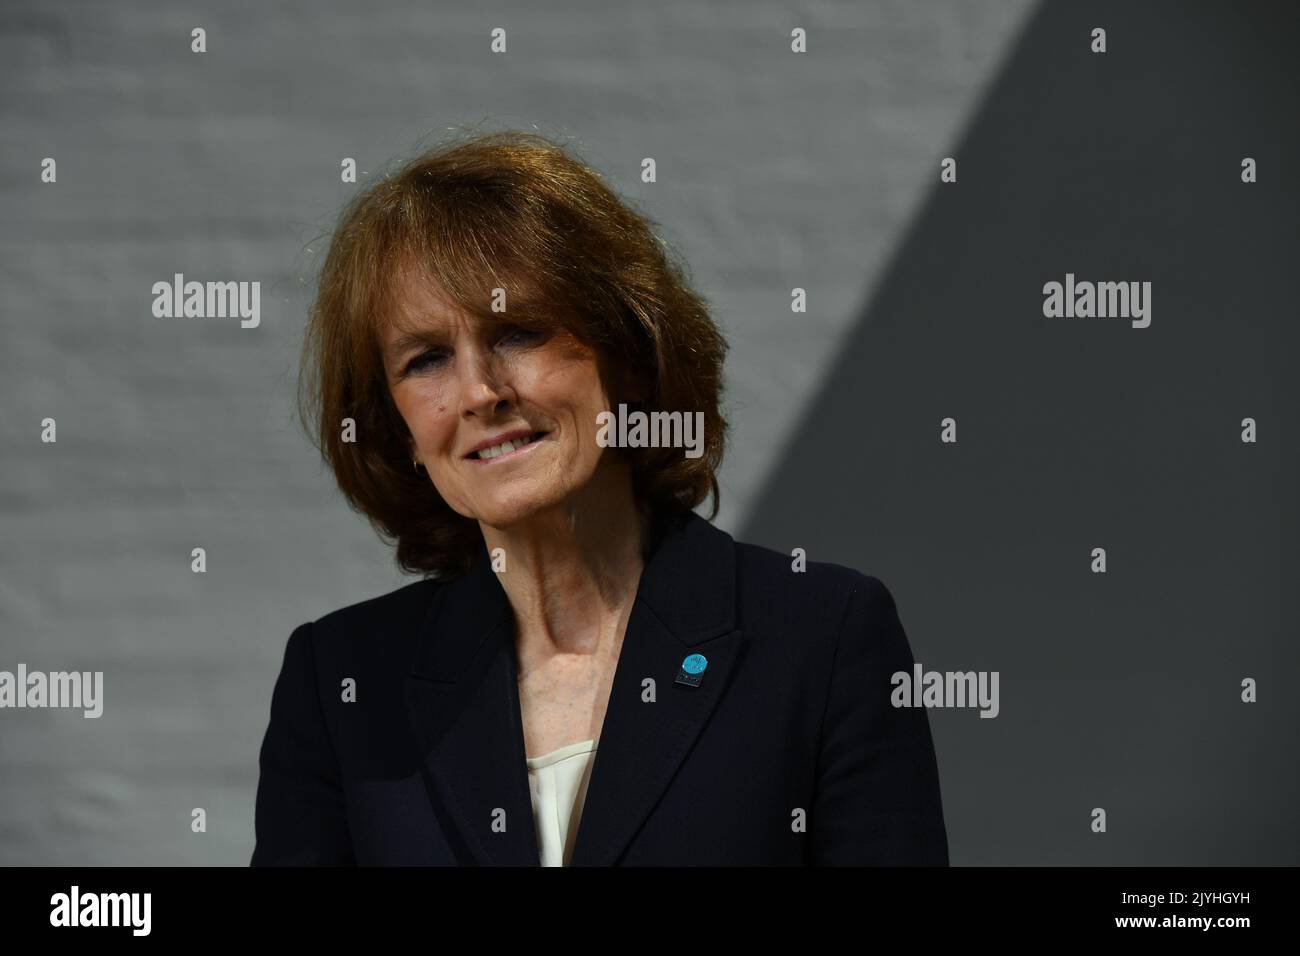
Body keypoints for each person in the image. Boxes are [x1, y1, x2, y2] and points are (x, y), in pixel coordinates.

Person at [250, 130, 948, 866]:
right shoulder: (342, 682)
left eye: (518, 332)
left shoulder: (820, 639)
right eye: (426, 359)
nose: (480, 393)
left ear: (627, 350)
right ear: (399, 428)